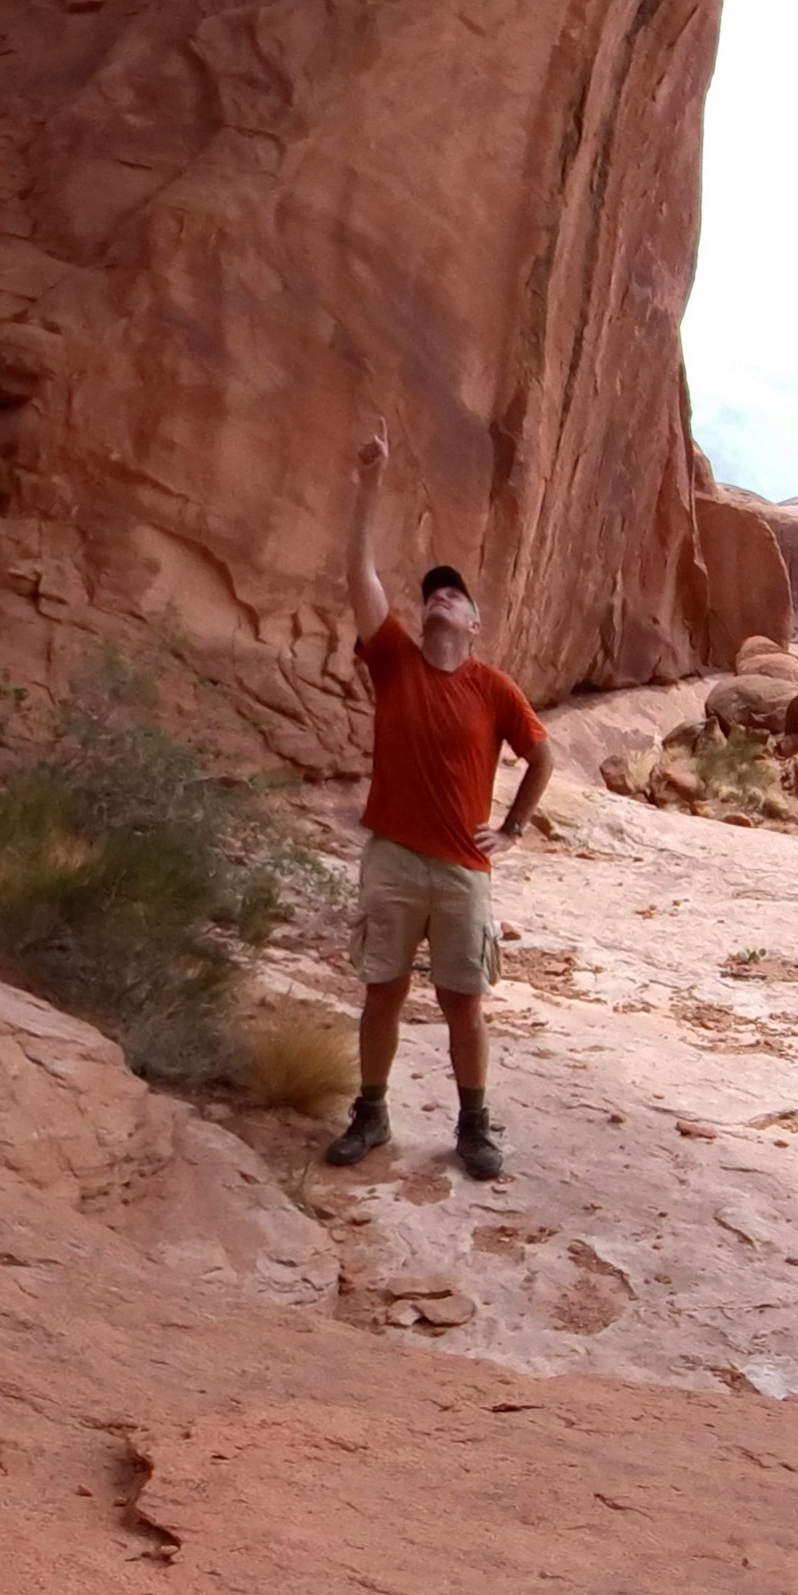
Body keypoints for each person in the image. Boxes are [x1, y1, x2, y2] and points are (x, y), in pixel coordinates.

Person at [329, 433, 555, 1182]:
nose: (440, 597)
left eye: (454, 594)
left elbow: (541, 752)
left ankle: (474, 1125)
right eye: (433, 591)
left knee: (464, 1004)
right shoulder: (392, 659)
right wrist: (371, 483)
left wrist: (515, 826)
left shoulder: (493, 688)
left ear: (475, 622)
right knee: (383, 992)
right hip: (393, 854)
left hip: (464, 865)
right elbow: (358, 573)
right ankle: (371, 1113)